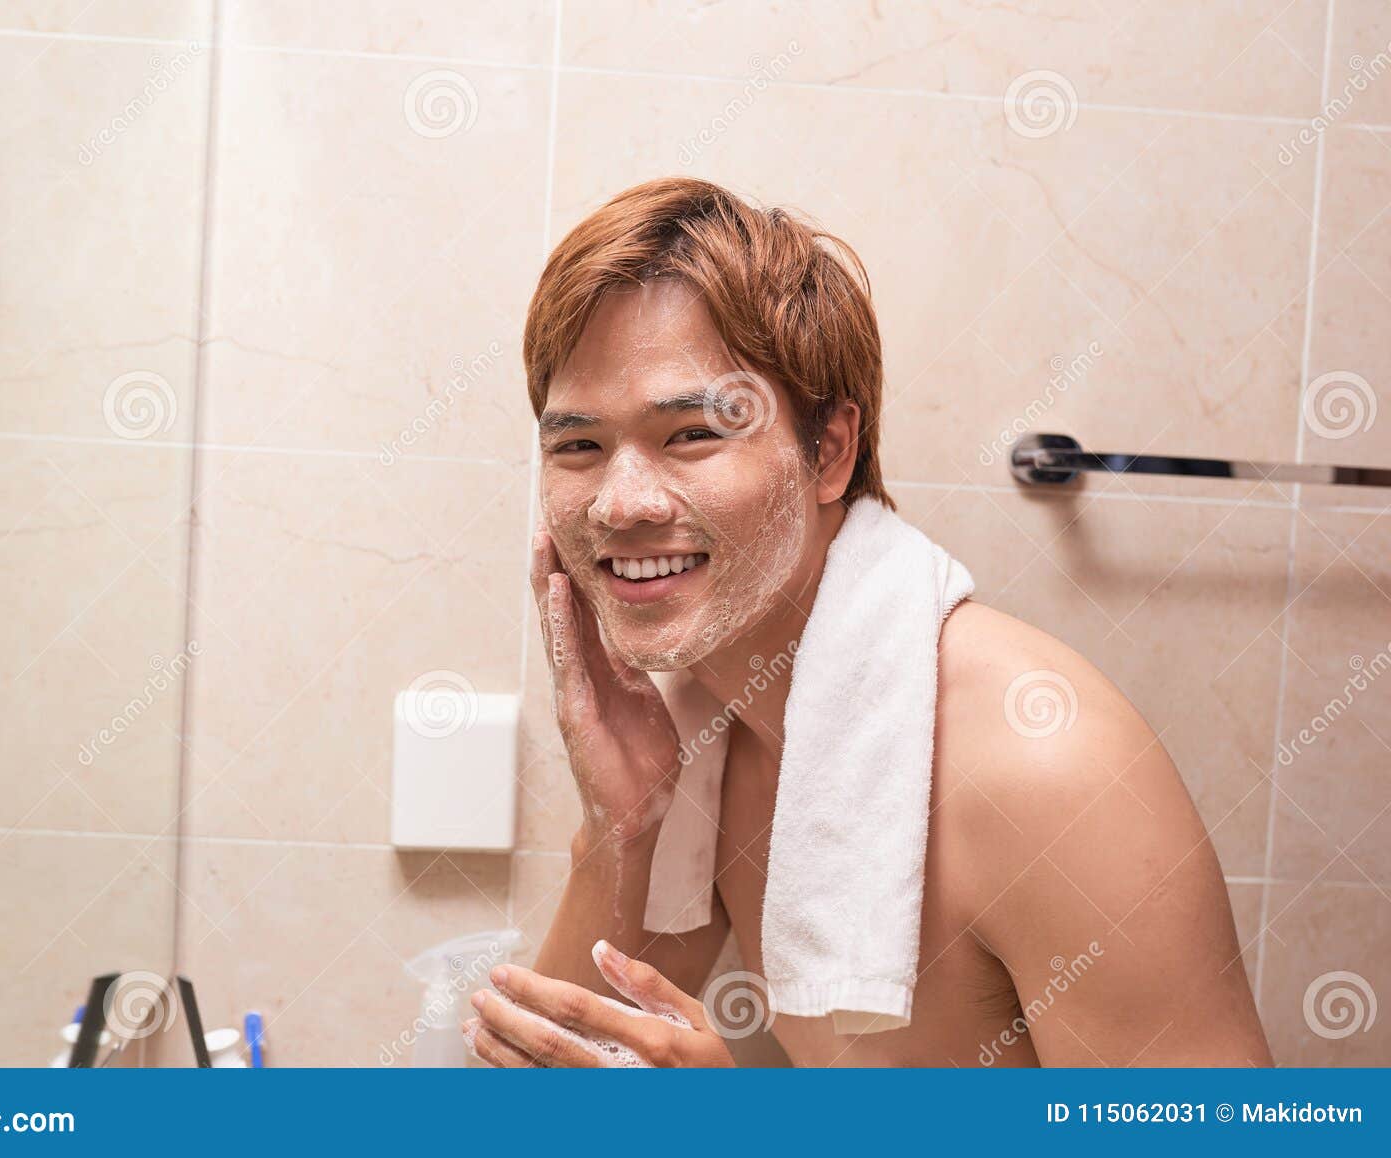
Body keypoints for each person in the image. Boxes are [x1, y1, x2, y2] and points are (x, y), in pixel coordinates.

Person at [463, 177, 1272, 1067]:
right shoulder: (718, 743)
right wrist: (619, 826)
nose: (620, 505)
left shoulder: (1049, 771)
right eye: (578, 446)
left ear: (831, 452)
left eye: (691, 434)